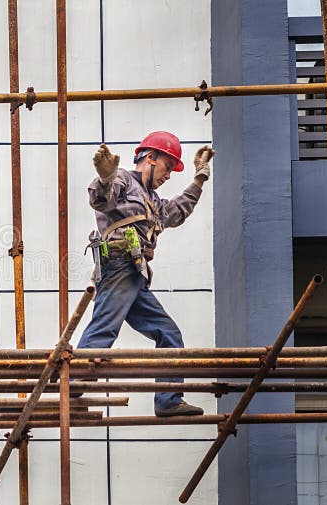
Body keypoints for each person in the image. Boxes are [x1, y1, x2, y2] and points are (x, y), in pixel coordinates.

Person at [79, 131, 213, 417]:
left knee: (169, 334)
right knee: (104, 330)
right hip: (119, 267)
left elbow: (178, 210)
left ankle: (168, 400)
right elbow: (102, 199)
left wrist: (199, 179)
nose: (168, 175)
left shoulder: (153, 201)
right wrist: (105, 178)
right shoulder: (123, 180)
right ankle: (72, 382)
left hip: (135, 274)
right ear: (150, 158)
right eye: (167, 166)